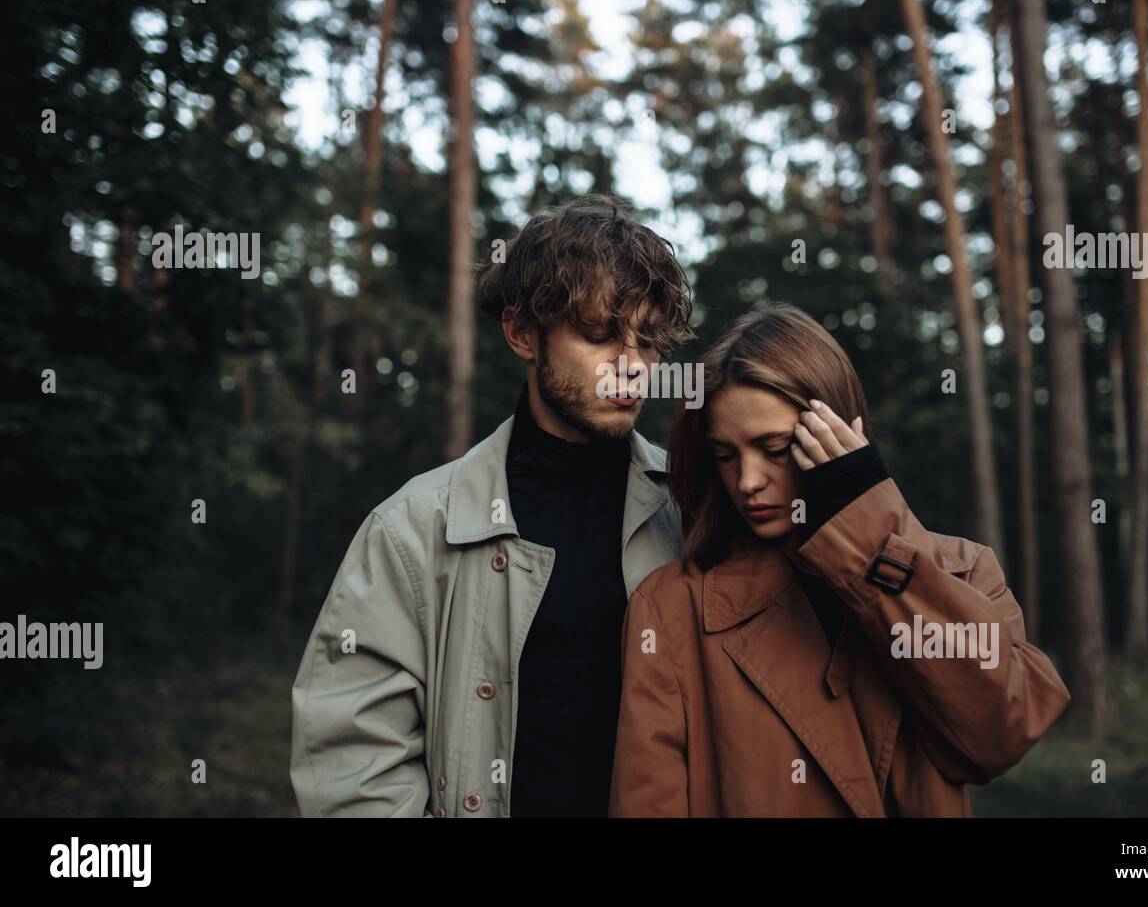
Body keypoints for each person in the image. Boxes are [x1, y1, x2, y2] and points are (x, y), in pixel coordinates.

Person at [290, 193, 694, 817]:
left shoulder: (694, 511)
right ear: (521, 333)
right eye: (599, 334)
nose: (633, 367)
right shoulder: (413, 528)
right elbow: (354, 766)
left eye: (647, 340)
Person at [609, 304, 1071, 817]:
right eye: (725, 454)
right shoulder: (673, 607)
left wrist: (868, 530)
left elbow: (1002, 734)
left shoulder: (961, 569)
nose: (747, 481)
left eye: (776, 448)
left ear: (840, 435)